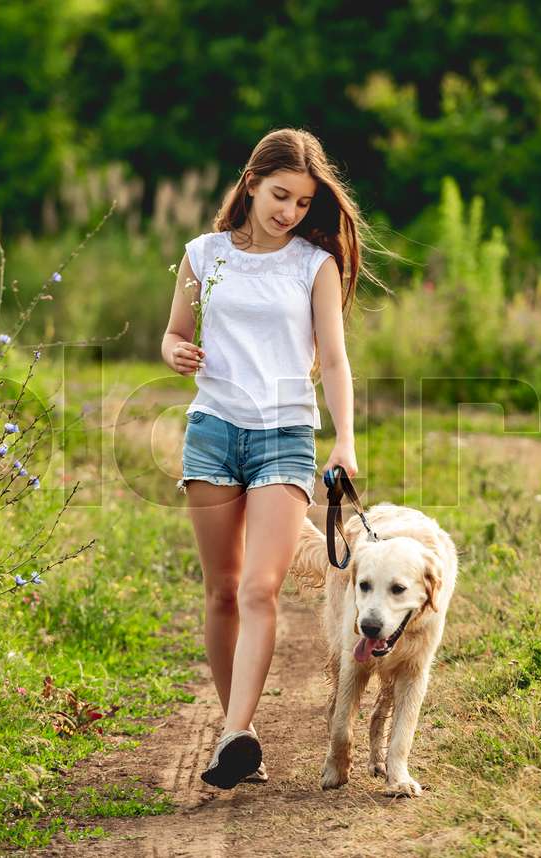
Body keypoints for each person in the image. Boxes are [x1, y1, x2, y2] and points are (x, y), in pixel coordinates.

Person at [161, 128, 368, 789]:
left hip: (284, 434)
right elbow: (174, 333)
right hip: (213, 431)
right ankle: (239, 733)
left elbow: (333, 358)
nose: (290, 212)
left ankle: (232, 733)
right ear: (251, 183)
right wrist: (174, 352)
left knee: (259, 588)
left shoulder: (314, 265)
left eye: (304, 203)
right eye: (281, 196)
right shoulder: (204, 255)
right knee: (221, 591)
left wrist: (345, 439)